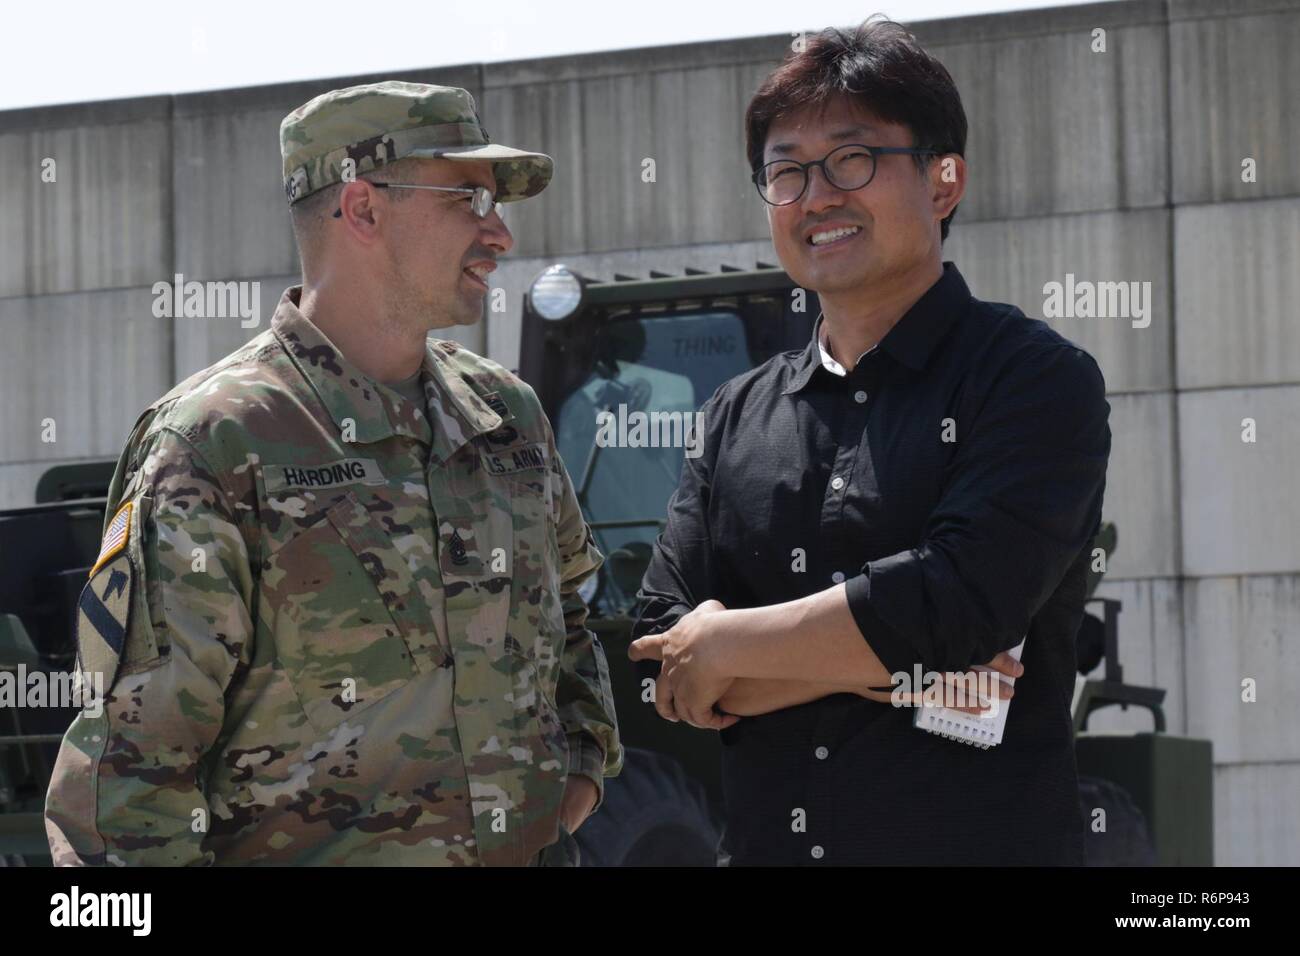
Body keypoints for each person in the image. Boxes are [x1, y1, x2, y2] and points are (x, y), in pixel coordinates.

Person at [45, 80, 622, 866]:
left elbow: (576, 615)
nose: (500, 234)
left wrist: (582, 767)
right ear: (363, 208)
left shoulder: (506, 418)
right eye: (468, 198)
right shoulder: (216, 444)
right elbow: (129, 784)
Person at [630, 20, 1110, 865]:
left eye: (853, 159)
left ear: (944, 180)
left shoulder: (1033, 380)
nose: (817, 196)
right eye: (786, 172)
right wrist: (912, 670)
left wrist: (727, 646)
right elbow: (658, 652)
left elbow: (961, 602)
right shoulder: (735, 414)